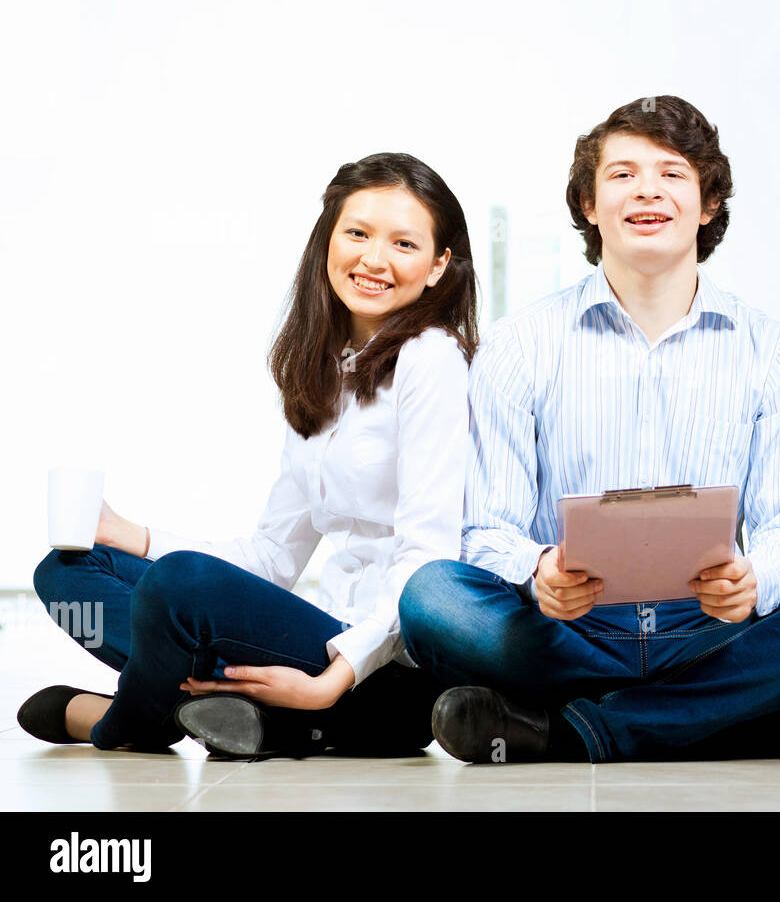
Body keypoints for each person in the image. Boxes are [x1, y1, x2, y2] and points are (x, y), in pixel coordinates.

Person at [398, 96, 780, 765]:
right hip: (567, 633)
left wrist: (754, 577)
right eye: (621, 174)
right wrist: (537, 570)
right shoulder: (519, 345)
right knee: (431, 598)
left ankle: (588, 729)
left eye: (672, 173)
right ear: (589, 204)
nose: (647, 189)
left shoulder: (773, 350)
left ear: (707, 205)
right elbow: (486, 530)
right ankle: (728, 715)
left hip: (715, 630)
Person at [21, 152, 477, 757]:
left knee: (181, 586)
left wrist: (327, 683)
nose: (373, 259)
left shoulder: (432, 358)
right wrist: (123, 532)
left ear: (438, 265)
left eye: (403, 243)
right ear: (327, 241)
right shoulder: (325, 371)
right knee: (69, 572)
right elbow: (271, 557)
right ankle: (215, 708)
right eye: (358, 233)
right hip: (317, 638)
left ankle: (128, 723)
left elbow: (429, 562)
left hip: (383, 674)